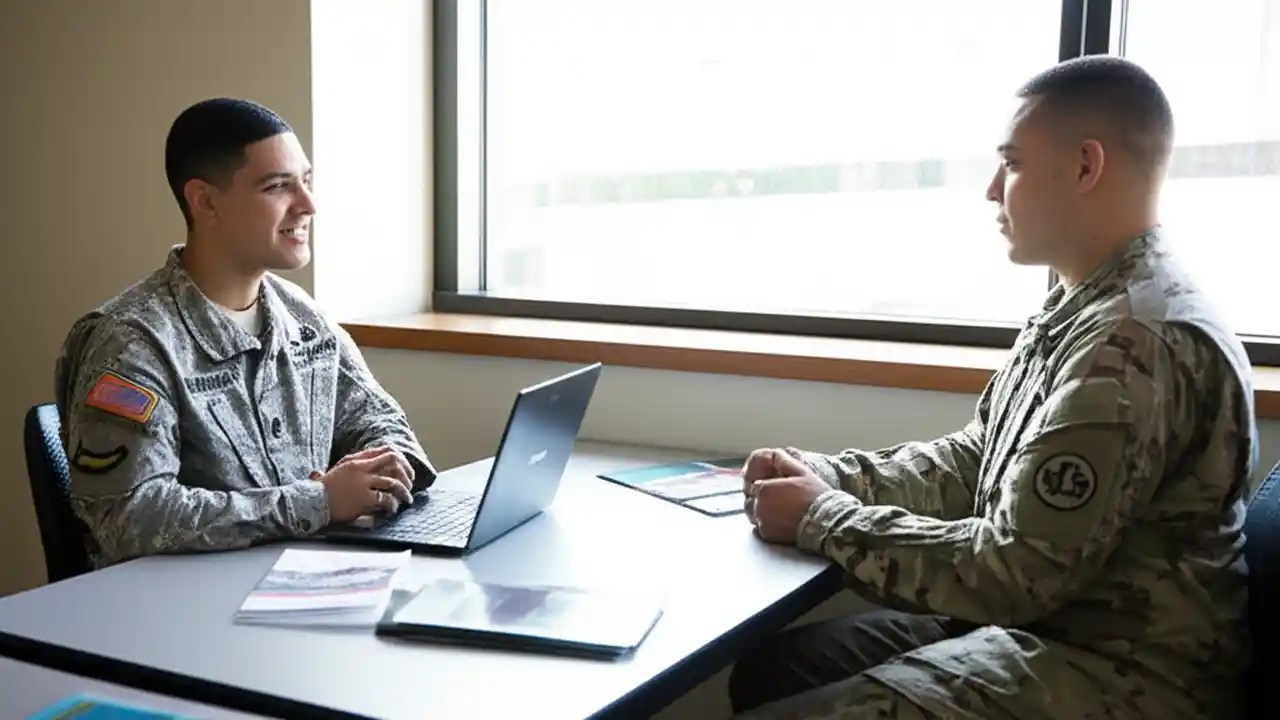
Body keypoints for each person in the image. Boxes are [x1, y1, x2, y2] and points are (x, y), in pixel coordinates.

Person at [731, 56, 1257, 719]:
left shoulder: (1133, 342)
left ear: (1086, 167)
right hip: (1056, 630)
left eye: (1010, 163)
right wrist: (834, 477)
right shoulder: (1089, 305)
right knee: (775, 669)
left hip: (1122, 675)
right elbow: (980, 458)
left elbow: (1015, 572)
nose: (990, 190)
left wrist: (819, 518)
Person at [54, 98, 436, 568]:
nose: (308, 205)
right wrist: (317, 501)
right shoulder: (132, 344)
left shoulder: (302, 318)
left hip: (302, 583)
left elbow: (380, 423)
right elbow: (131, 518)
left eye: (307, 181)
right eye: (278, 186)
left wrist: (387, 468)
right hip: (177, 617)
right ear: (206, 201)